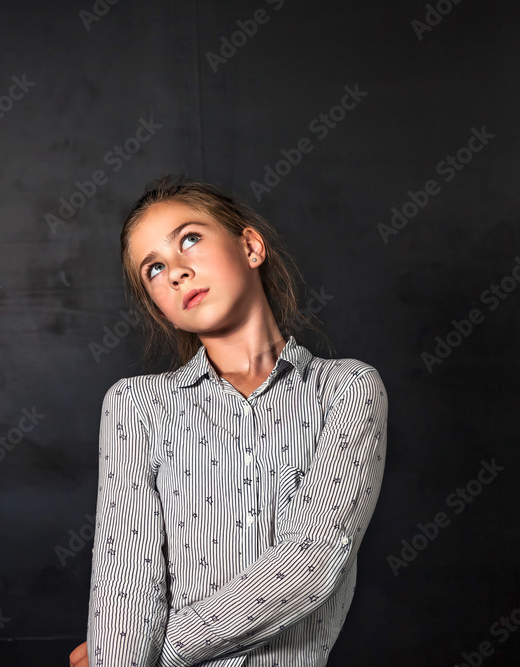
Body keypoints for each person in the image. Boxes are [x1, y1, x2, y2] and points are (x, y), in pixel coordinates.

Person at [67, 176, 388, 667]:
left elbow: (312, 564)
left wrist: (157, 650)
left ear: (251, 246)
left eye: (189, 239)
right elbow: (123, 577)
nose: (175, 272)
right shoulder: (136, 406)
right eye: (153, 269)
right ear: (162, 311)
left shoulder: (346, 390)